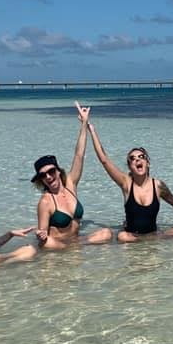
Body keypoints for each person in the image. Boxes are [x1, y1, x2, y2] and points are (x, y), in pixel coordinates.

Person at [86, 113, 173, 242]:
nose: (137, 159)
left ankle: (148, 242)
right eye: (132, 158)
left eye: (141, 157)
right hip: (131, 236)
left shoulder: (158, 185)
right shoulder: (126, 184)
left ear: (147, 163)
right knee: (122, 236)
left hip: (153, 234)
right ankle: (144, 243)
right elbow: (104, 160)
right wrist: (92, 131)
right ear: (130, 166)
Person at [32, 102, 113, 250]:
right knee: (47, 243)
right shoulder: (45, 202)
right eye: (43, 175)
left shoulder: (70, 184)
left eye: (51, 172)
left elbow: (79, 155)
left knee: (107, 233)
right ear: (41, 179)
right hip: (59, 245)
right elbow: (42, 232)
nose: (48, 177)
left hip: (77, 241)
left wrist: (84, 123)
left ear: (58, 171)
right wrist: (40, 234)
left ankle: (77, 247)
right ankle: (73, 249)